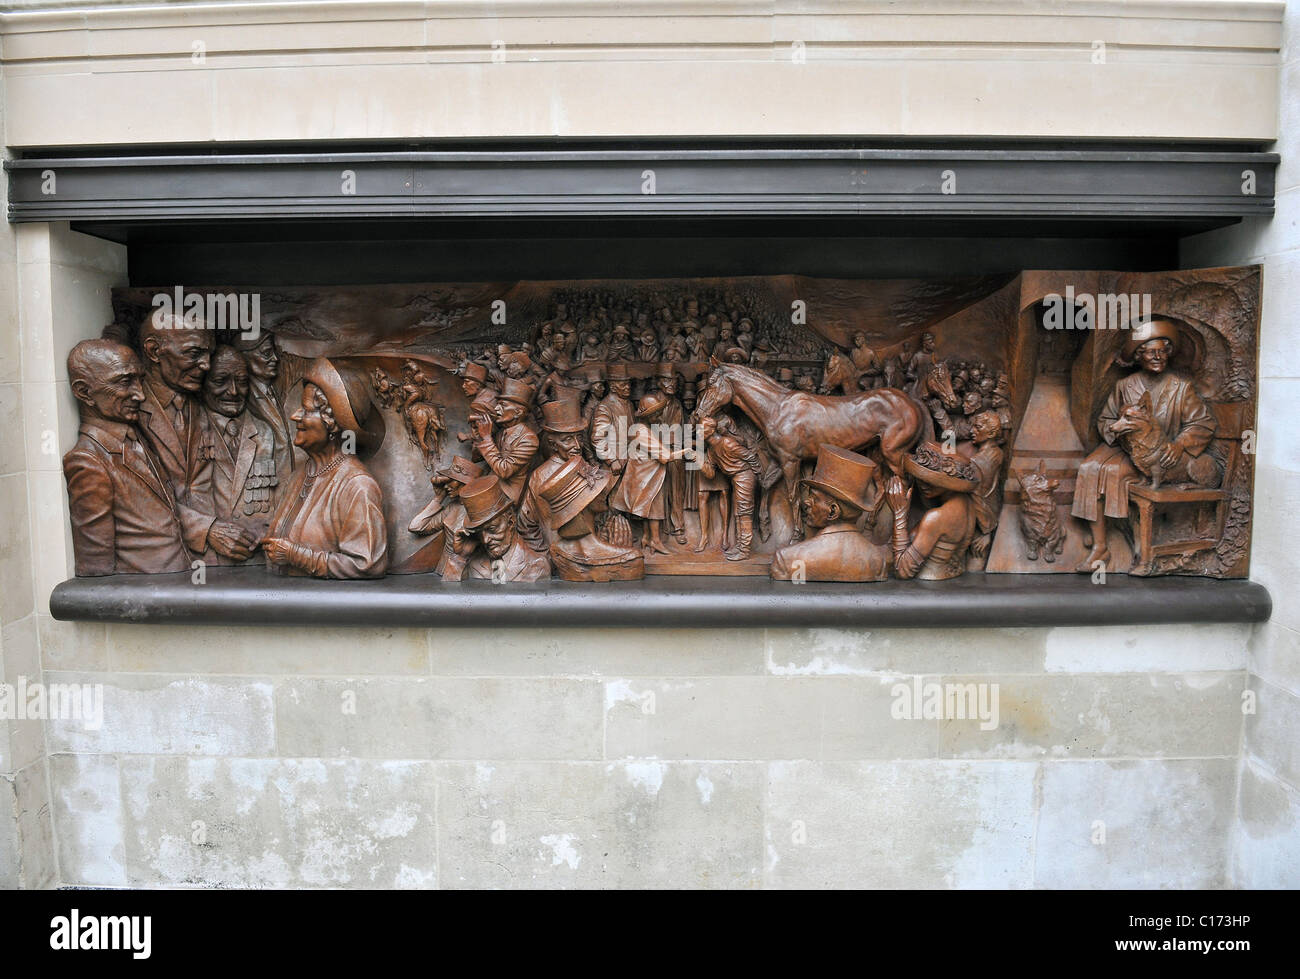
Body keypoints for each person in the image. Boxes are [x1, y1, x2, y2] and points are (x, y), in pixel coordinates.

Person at [1070, 318, 1222, 571]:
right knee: (1089, 467)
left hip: (1160, 456)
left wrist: (1180, 444)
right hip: (1126, 448)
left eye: (1163, 351)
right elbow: (1106, 420)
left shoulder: (1181, 389)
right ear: (1139, 355)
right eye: (1151, 352)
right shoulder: (1124, 386)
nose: (1158, 357)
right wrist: (1118, 432)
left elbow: (1203, 423)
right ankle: (1100, 545)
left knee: (1111, 472)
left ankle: (1128, 545)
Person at [62, 339, 198, 575]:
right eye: (125, 382)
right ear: (84, 392)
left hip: (176, 583)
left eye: (140, 380)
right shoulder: (88, 461)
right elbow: (96, 566)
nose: (140, 395)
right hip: (146, 593)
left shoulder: (136, 437)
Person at [135, 308, 259, 564]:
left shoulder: (204, 403)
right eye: (193, 353)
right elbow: (135, 495)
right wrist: (206, 530)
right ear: (154, 351)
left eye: (208, 354)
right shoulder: (130, 410)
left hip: (216, 562)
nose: (206, 365)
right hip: (160, 562)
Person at [262, 358, 388, 579]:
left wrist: (296, 556)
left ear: (333, 424)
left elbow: (368, 564)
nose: (295, 416)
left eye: (306, 410)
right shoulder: (301, 474)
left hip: (327, 609)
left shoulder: (357, 486)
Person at [198, 345, 279, 555]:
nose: (233, 391)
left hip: (260, 556)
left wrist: (273, 527)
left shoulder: (265, 433)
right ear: (202, 384)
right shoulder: (191, 430)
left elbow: (286, 494)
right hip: (207, 559)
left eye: (242, 382)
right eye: (220, 381)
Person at [770, 445, 890, 582]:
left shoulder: (787, 559)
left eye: (814, 498)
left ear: (833, 511)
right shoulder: (878, 561)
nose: (807, 502)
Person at [608, 391, 690, 556]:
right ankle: (655, 540)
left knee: (647, 507)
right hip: (648, 477)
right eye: (656, 414)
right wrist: (688, 451)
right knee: (655, 508)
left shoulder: (641, 428)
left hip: (645, 475)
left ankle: (646, 537)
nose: (659, 417)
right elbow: (665, 457)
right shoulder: (642, 432)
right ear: (648, 415)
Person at [886, 441, 979, 580]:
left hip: (928, 580)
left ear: (949, 481)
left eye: (932, 480)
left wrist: (899, 514)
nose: (923, 484)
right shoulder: (968, 504)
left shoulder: (936, 517)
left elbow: (903, 571)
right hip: (950, 574)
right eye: (921, 478)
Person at [691, 413, 761, 560]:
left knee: (744, 512)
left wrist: (755, 476)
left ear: (710, 430)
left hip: (744, 475)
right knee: (739, 512)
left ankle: (744, 551)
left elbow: (750, 457)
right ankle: (741, 547)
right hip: (736, 478)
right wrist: (698, 460)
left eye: (700, 429)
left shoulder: (727, 443)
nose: (697, 432)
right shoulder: (711, 450)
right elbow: (710, 474)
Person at [460, 474, 551, 582]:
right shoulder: (474, 565)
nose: (485, 540)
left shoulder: (536, 567)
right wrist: (460, 557)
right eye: (479, 532)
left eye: (492, 529)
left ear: (511, 521)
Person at [471, 377, 540, 504]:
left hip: (506, 496)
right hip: (490, 486)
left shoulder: (528, 439)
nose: (496, 409)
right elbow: (476, 458)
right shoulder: (502, 431)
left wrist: (486, 438)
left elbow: (504, 471)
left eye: (502, 405)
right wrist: (478, 437)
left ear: (518, 413)